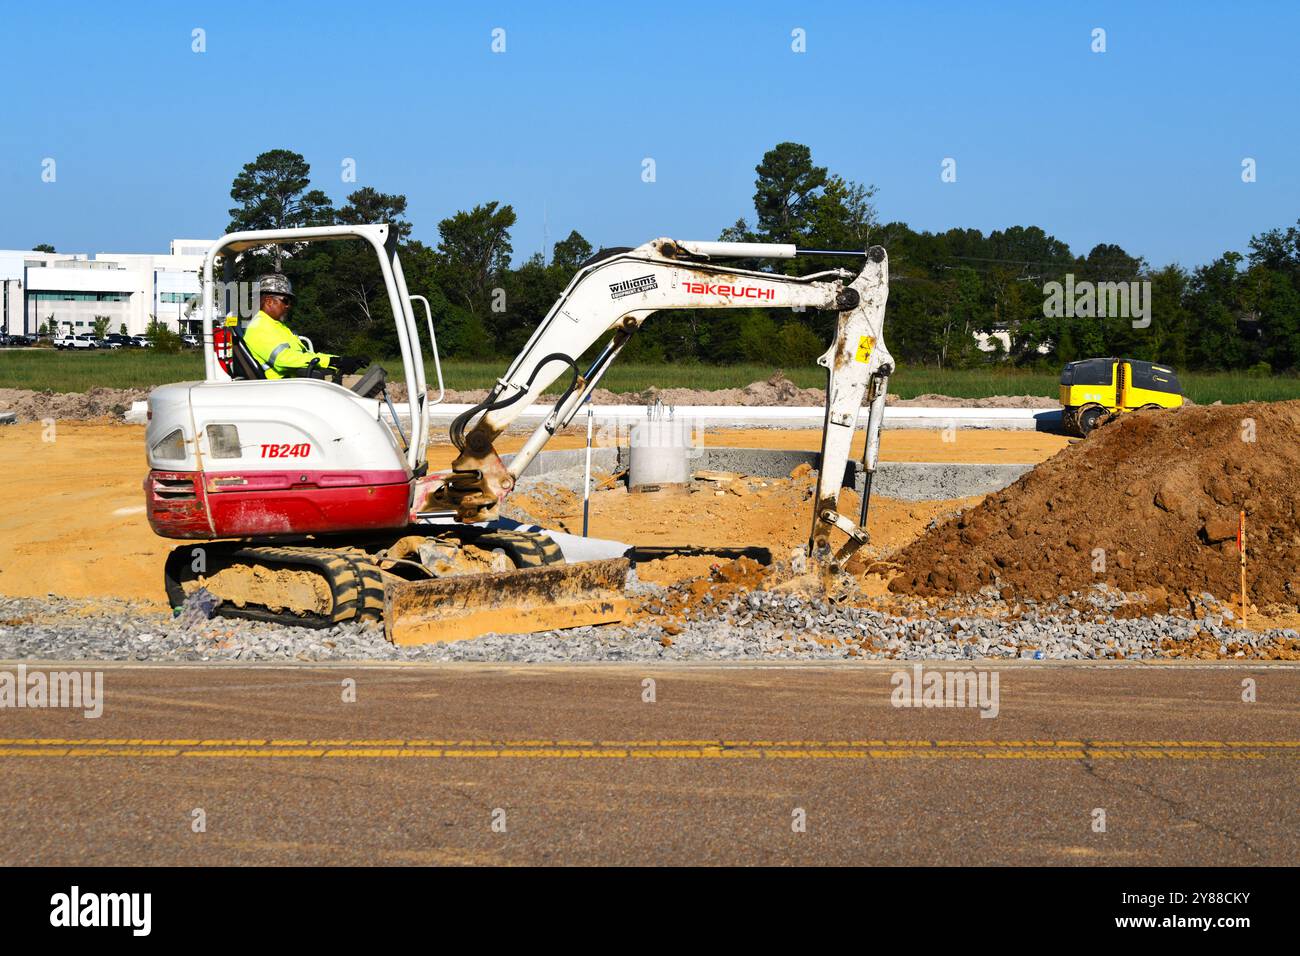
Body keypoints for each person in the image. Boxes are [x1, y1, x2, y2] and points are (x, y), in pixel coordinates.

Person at [242, 274, 367, 379]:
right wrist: (333, 362)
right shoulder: (259, 327)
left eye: (290, 302)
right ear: (269, 301)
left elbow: (305, 355)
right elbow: (284, 359)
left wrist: (339, 360)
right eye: (285, 300)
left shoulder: (276, 326)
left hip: (295, 384)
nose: (288, 306)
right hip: (282, 389)